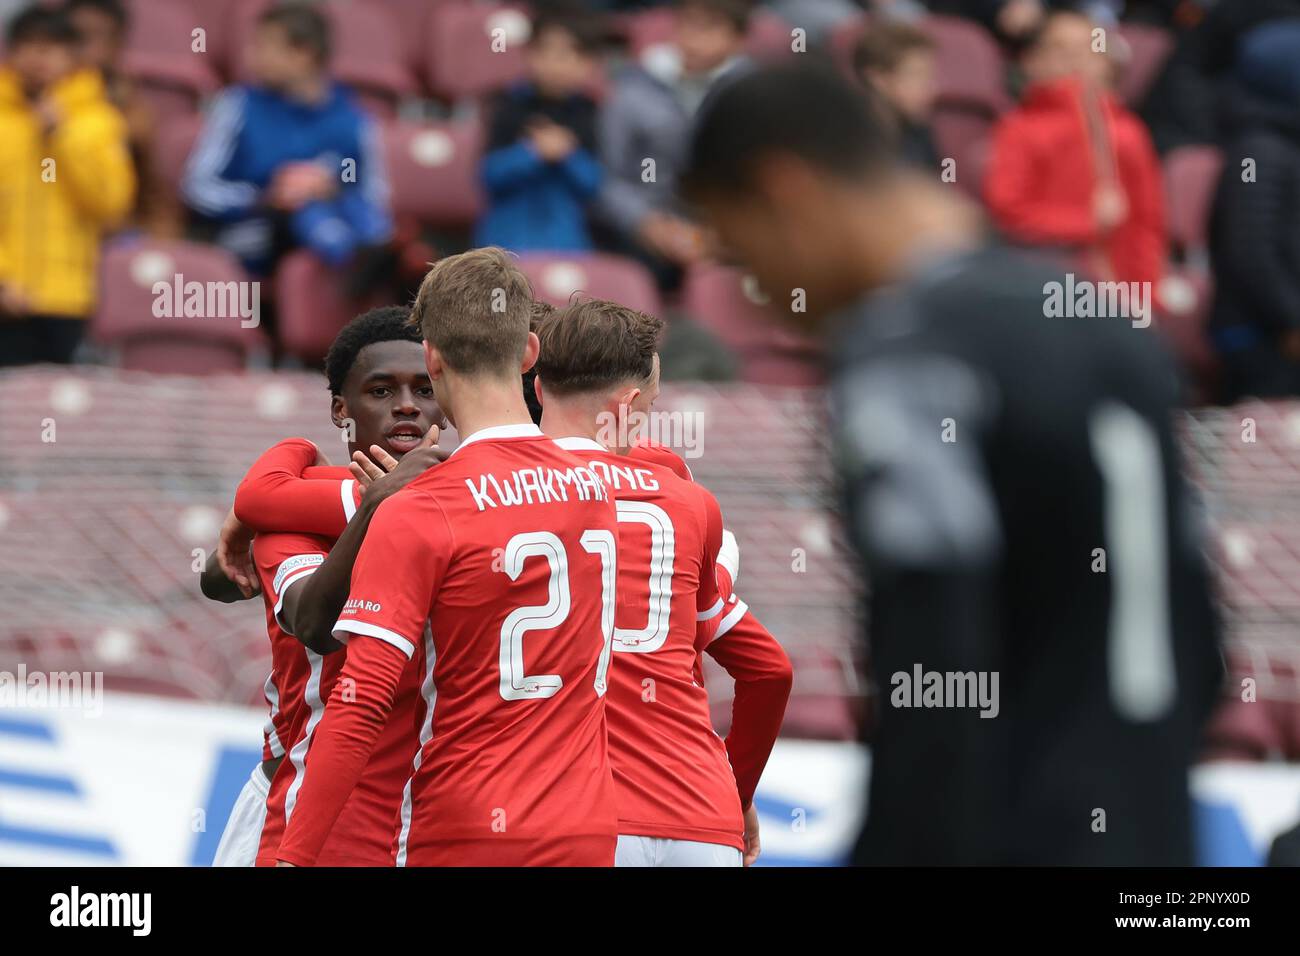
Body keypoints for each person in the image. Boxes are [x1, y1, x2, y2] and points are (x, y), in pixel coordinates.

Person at [682, 63, 1222, 865]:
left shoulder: (906, 355)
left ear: (784, 190)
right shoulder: (1104, 327)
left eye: (745, 251)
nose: (763, 296)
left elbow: (936, 651)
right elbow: (1205, 650)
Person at [275, 248, 621, 866]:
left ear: (431, 358)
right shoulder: (601, 486)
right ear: (529, 354)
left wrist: (293, 858)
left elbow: (360, 703)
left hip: (463, 831)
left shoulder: (421, 507)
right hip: (587, 832)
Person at [532, 298, 792, 865]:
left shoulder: (488, 489)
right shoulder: (689, 503)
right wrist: (735, 790)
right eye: (649, 406)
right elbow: (770, 670)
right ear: (628, 404)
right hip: (700, 815)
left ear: (536, 387)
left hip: (565, 815)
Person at [201, 307, 446, 867]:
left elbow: (242, 526)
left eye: (425, 388)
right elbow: (311, 624)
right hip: (296, 807)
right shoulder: (296, 514)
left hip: (423, 814)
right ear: (341, 408)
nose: (406, 404)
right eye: (381, 390)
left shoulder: (464, 497)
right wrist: (367, 497)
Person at [181, 2, 391, 278]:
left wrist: (330, 187)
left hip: (331, 223)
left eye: (264, 46)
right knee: (303, 211)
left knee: (344, 210)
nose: (251, 56)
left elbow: (372, 195)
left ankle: (374, 257)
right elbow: (197, 187)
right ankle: (358, 260)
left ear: (303, 54)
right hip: (252, 233)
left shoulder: (354, 120)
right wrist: (267, 198)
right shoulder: (238, 105)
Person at [984, 10, 1167, 296]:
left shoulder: (1128, 131)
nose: (1076, 60)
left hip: (1119, 289)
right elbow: (1010, 212)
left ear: (1107, 63)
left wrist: (1146, 294)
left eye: (1090, 49)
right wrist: (1086, 221)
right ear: (1032, 61)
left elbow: (1148, 223)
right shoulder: (1018, 129)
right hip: (1050, 284)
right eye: (1059, 49)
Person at [0, 3, 134, 366]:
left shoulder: (99, 121)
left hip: (67, 296)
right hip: (6, 294)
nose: (39, 57)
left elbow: (110, 204)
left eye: (52, 47)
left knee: (55, 406)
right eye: (28, 45)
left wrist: (62, 137)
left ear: (73, 57)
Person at [595, 0, 751, 288]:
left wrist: (720, 232)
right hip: (647, 229)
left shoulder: (754, 93)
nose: (693, 38)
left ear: (738, 38)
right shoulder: (634, 88)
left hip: (725, 230)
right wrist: (644, 222)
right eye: (687, 24)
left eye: (709, 27)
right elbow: (606, 177)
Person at [1208, 20, 1300, 401]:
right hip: (1260, 337)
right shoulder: (1257, 153)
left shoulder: (1279, 144)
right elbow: (1249, 249)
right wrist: (1291, 320)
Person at [475, 9, 604, 252]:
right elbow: (488, 176)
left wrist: (567, 155)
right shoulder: (507, 104)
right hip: (505, 238)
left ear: (589, 63)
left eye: (569, 54)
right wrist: (532, 152)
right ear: (529, 55)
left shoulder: (591, 112)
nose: (557, 64)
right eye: (547, 52)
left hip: (568, 241)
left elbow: (593, 185)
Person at [853, 19, 940, 170]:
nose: (931, 88)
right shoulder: (850, 142)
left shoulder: (920, 133)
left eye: (930, 76)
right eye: (917, 75)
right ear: (877, 79)